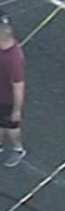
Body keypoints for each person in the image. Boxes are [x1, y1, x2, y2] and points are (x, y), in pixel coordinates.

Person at [0, 13, 26, 168]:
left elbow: (18, 86)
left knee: (11, 128)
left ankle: (18, 149)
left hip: (5, 101)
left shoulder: (13, 59)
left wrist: (17, 110)